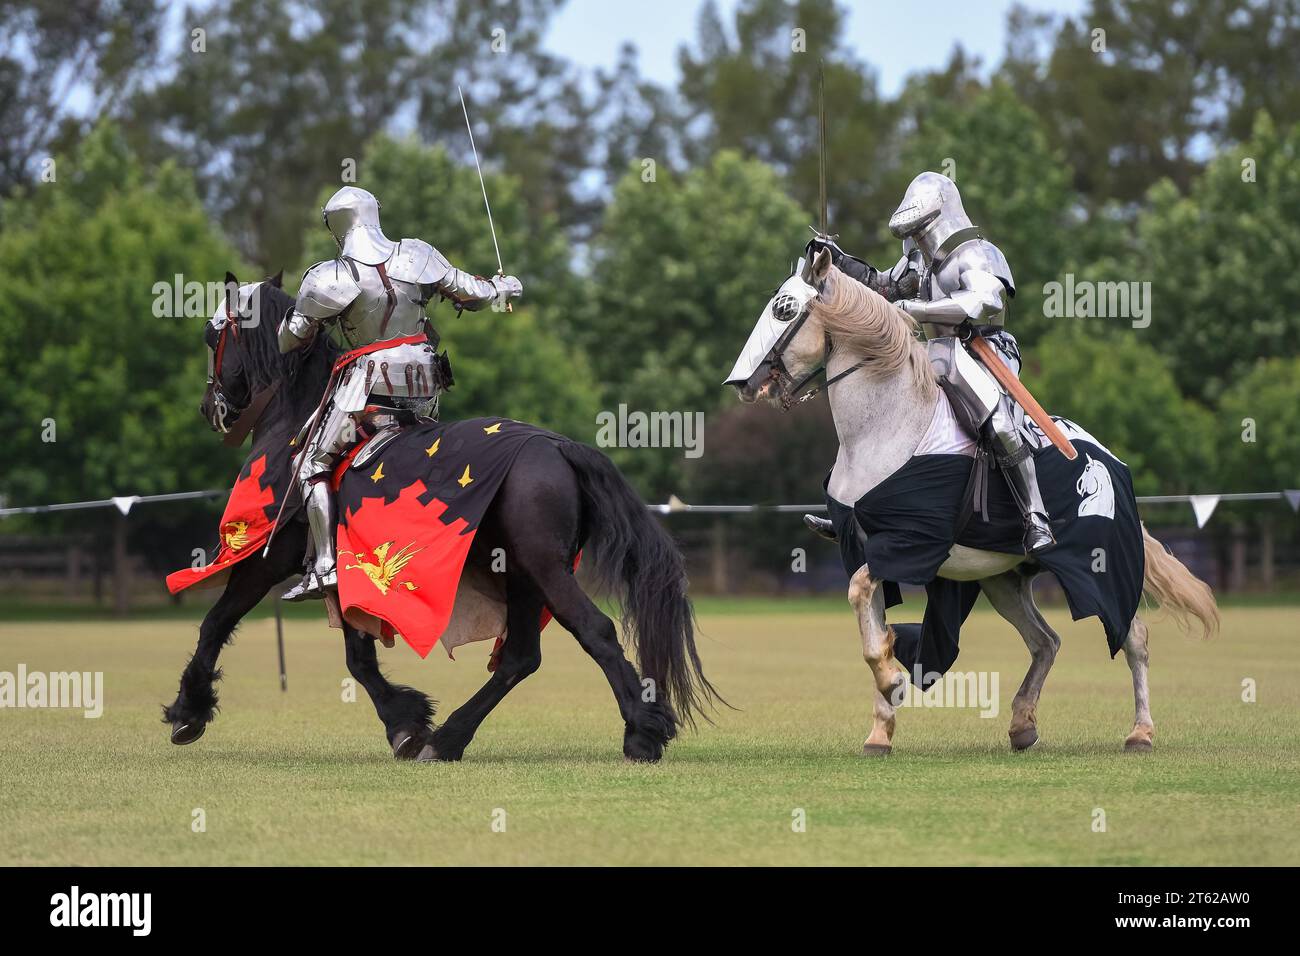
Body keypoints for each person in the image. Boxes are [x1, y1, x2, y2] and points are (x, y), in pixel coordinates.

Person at [277, 186, 522, 601]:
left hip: (368, 388)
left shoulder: (329, 275)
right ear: (374, 214)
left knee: (310, 461)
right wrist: (502, 287)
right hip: (424, 387)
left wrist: (296, 317)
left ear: (336, 226)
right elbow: (473, 294)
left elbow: (290, 339)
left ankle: (324, 567)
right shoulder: (417, 255)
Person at [804, 171, 1054, 554]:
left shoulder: (978, 253)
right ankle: (853, 508)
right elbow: (882, 286)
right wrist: (837, 262)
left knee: (998, 420)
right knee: (875, 412)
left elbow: (984, 302)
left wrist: (916, 308)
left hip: (984, 350)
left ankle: (1035, 517)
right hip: (934, 353)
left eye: (920, 230)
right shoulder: (918, 261)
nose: (916, 240)